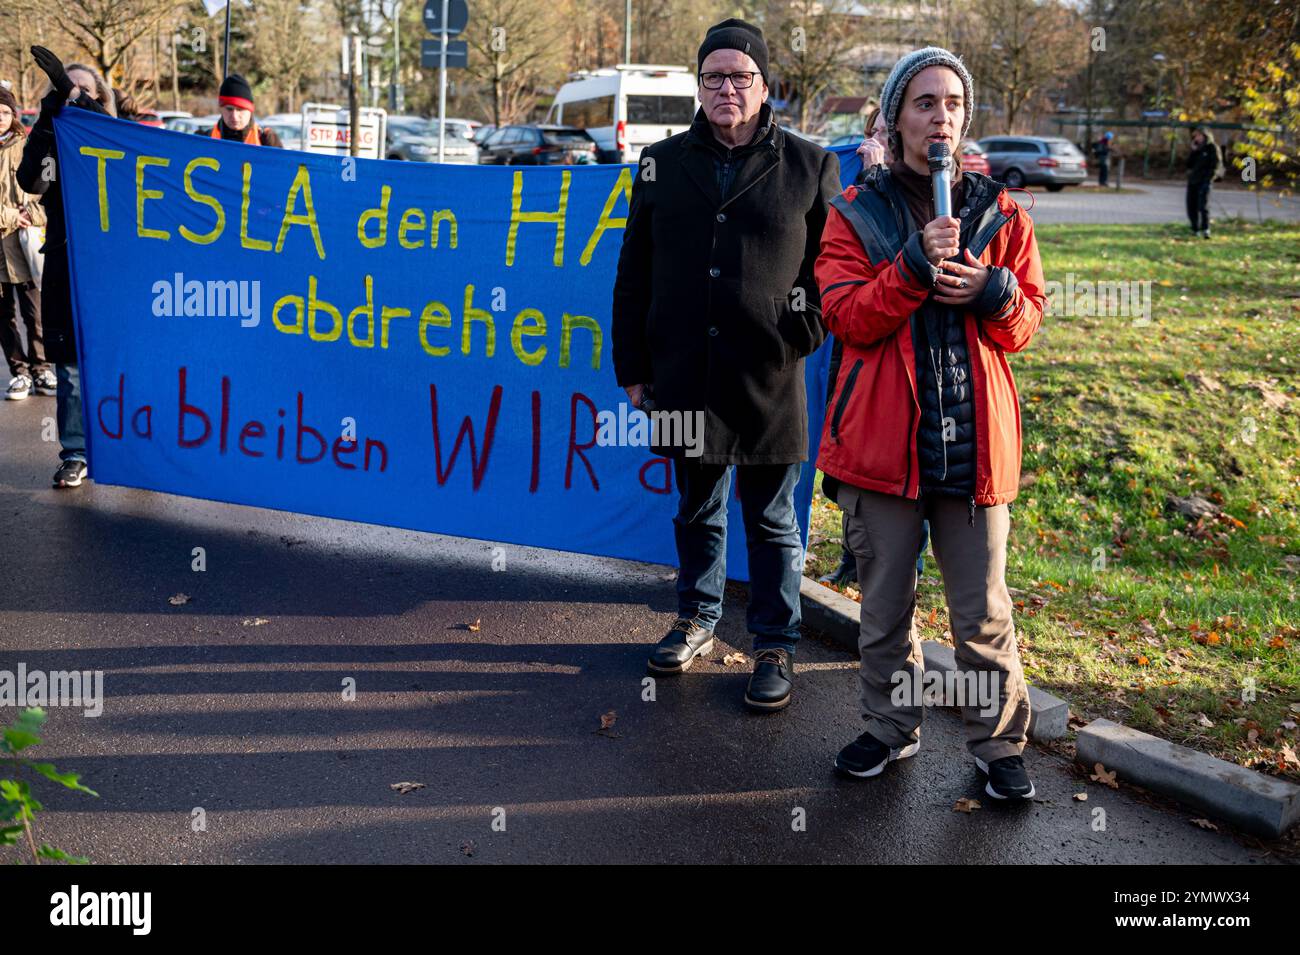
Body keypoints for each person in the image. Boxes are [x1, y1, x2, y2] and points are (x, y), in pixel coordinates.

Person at [815, 47, 1045, 799]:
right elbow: (846, 316)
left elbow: (1027, 323)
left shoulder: (1001, 213)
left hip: (975, 450)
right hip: (884, 449)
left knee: (981, 613)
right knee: (884, 607)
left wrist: (992, 289)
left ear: (964, 119)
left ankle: (997, 744)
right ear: (893, 117)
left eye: (951, 103)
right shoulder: (854, 212)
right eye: (923, 102)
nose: (938, 116)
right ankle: (890, 726)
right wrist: (912, 266)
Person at [612, 18, 840, 711]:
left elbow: (829, 272)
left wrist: (793, 332)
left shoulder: (810, 164)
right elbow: (635, 270)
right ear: (699, 85)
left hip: (768, 377)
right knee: (697, 507)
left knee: (772, 521)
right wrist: (633, 363)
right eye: (714, 77)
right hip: (682, 372)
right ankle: (697, 617)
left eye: (741, 76)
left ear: (764, 85)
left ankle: (774, 643)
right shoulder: (661, 161)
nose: (727, 89)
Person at [820, 104, 930, 590]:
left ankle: (909, 566)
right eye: (875, 133)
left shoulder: (923, 199)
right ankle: (855, 558)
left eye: (889, 133)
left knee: (911, 459)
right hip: (860, 359)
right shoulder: (856, 198)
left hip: (913, 364)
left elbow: (910, 255)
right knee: (862, 464)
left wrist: (880, 177)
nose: (881, 140)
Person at [17, 47, 116, 488]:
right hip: (64, 263)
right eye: (60, 90)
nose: (68, 97)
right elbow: (31, 181)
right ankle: (75, 452)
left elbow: (111, 134)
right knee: (70, 367)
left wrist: (73, 92)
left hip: (115, 271)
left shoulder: (120, 141)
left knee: (121, 361)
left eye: (79, 92)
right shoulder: (52, 142)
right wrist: (46, 119)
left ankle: (130, 448)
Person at [0, 84, 51, 401]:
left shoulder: (28, 146)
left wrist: (31, 215)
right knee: (4, 316)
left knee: (35, 313)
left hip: (26, 246)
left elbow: (48, 192)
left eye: (5, 112)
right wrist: (7, 215)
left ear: (13, 115)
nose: (0, 118)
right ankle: (18, 372)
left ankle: (42, 368)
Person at [210, 74, 283, 148]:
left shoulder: (267, 139)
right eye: (229, 109)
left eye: (240, 109)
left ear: (250, 111)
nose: (234, 116)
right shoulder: (204, 138)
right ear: (221, 109)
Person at [1186, 127, 1222, 238]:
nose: (1197, 138)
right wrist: (1193, 151)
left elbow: (1215, 165)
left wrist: (1209, 179)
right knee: (1191, 206)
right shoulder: (1197, 149)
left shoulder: (1212, 148)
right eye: (1195, 136)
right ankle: (1194, 229)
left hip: (1205, 181)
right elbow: (1188, 164)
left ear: (1205, 136)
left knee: (1203, 206)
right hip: (1193, 181)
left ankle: (1205, 229)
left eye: (1198, 136)